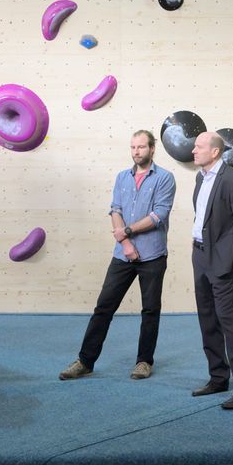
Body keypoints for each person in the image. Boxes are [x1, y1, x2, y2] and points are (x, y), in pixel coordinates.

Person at [59, 130, 177, 382]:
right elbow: (115, 209)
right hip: (123, 255)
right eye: (133, 147)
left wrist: (127, 231)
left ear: (152, 149)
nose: (136, 152)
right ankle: (85, 361)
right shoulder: (122, 177)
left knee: (150, 310)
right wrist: (125, 243)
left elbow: (159, 216)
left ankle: (144, 362)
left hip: (153, 255)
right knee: (103, 307)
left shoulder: (165, 178)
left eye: (141, 147)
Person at [189, 131, 233, 409]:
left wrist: (232, 257)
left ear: (215, 152)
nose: (193, 150)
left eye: (199, 147)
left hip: (222, 260)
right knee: (207, 319)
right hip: (200, 256)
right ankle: (218, 376)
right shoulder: (199, 177)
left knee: (228, 321)